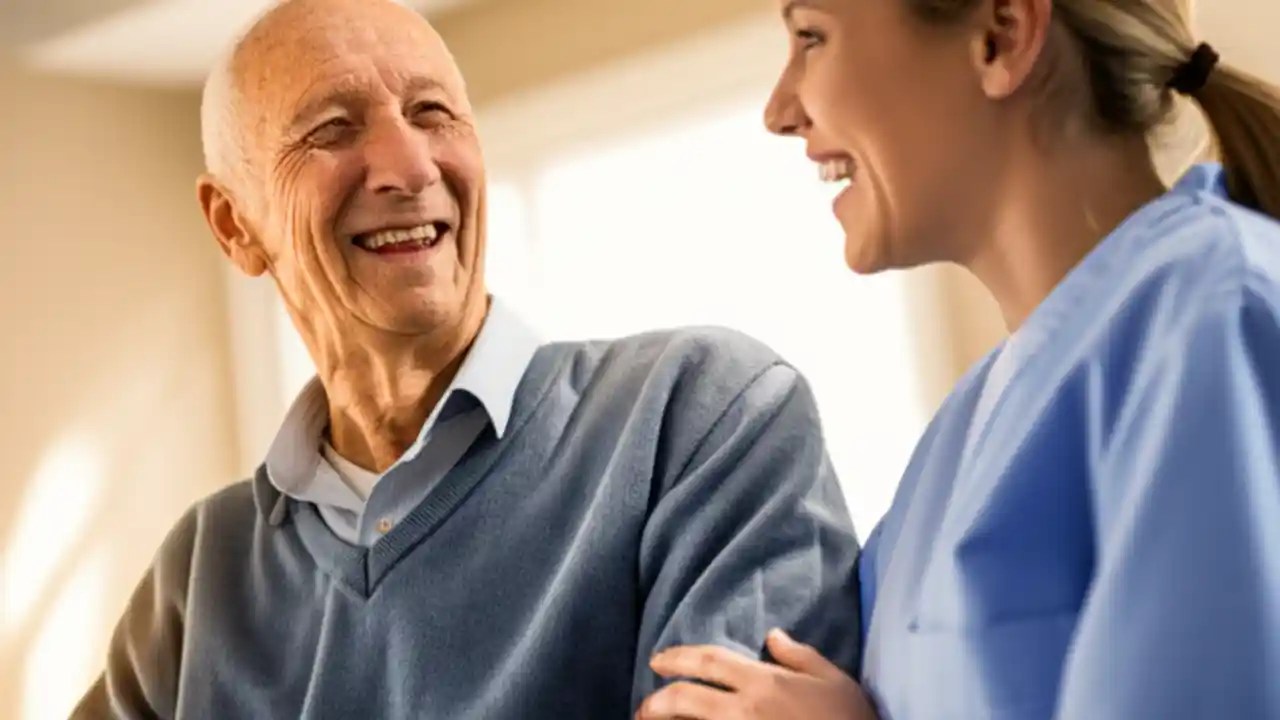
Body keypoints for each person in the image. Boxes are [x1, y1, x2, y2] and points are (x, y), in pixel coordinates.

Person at [71, 0, 863, 717]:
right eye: (333, 130)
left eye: (433, 113)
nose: (411, 168)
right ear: (235, 225)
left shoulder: (702, 415)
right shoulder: (199, 578)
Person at [638, 0, 1280, 718]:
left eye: (811, 37)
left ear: (999, 37)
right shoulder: (959, 440)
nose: (779, 110)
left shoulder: (1217, 313)